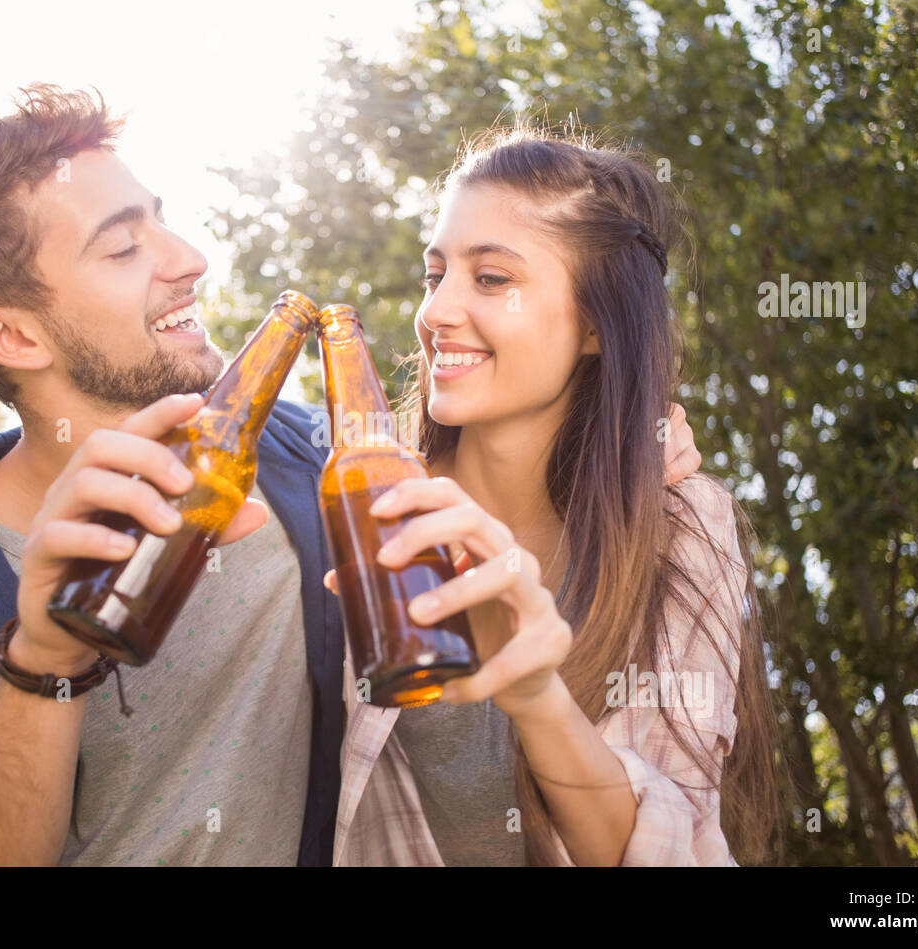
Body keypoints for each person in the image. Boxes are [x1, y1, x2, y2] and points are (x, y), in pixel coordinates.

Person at [0, 87, 703, 867]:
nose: (189, 258)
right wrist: (43, 662)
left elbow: (484, 439)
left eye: (162, 219)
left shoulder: (313, 458)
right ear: (13, 336)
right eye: (125, 247)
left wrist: (622, 422)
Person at [329, 127, 787, 866]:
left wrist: (536, 696)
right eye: (435, 273)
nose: (436, 312)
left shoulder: (677, 524)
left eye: (491, 279)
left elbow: (676, 843)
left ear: (598, 325)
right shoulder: (361, 501)